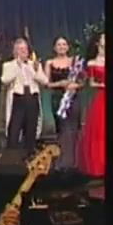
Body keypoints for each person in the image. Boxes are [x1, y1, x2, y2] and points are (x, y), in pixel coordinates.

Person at [1, 38, 49, 153]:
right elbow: (5, 80)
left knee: (31, 131)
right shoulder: (8, 65)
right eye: (20, 49)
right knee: (14, 131)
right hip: (17, 100)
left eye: (25, 49)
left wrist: (35, 70)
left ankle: (29, 155)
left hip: (32, 99)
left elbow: (45, 81)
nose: (23, 51)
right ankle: (12, 157)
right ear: (15, 51)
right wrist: (17, 65)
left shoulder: (34, 64)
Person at [44, 36, 84, 170]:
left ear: (67, 47)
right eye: (59, 45)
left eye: (64, 44)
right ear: (54, 48)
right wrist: (60, 83)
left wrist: (75, 86)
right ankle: (63, 163)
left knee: (74, 129)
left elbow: (82, 81)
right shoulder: (49, 63)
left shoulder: (75, 61)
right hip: (58, 99)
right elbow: (47, 84)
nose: (62, 47)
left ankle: (75, 163)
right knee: (63, 129)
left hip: (73, 98)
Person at [77, 33, 105, 177]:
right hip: (102, 96)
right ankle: (99, 164)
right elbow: (92, 83)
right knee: (100, 129)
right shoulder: (92, 63)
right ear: (98, 43)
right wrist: (103, 85)